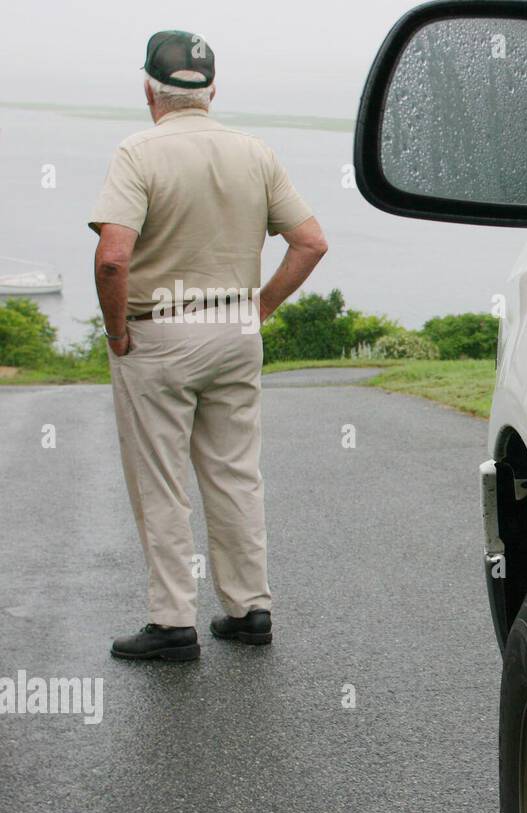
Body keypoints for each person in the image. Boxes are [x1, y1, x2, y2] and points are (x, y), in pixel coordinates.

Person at [90, 30, 328, 660]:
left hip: (161, 333)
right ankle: (250, 610)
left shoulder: (137, 152)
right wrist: (263, 306)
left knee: (160, 480)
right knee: (234, 475)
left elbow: (113, 259)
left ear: (149, 90)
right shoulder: (254, 152)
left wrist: (118, 334)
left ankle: (172, 622)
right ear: (212, 90)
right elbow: (310, 242)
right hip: (234, 331)